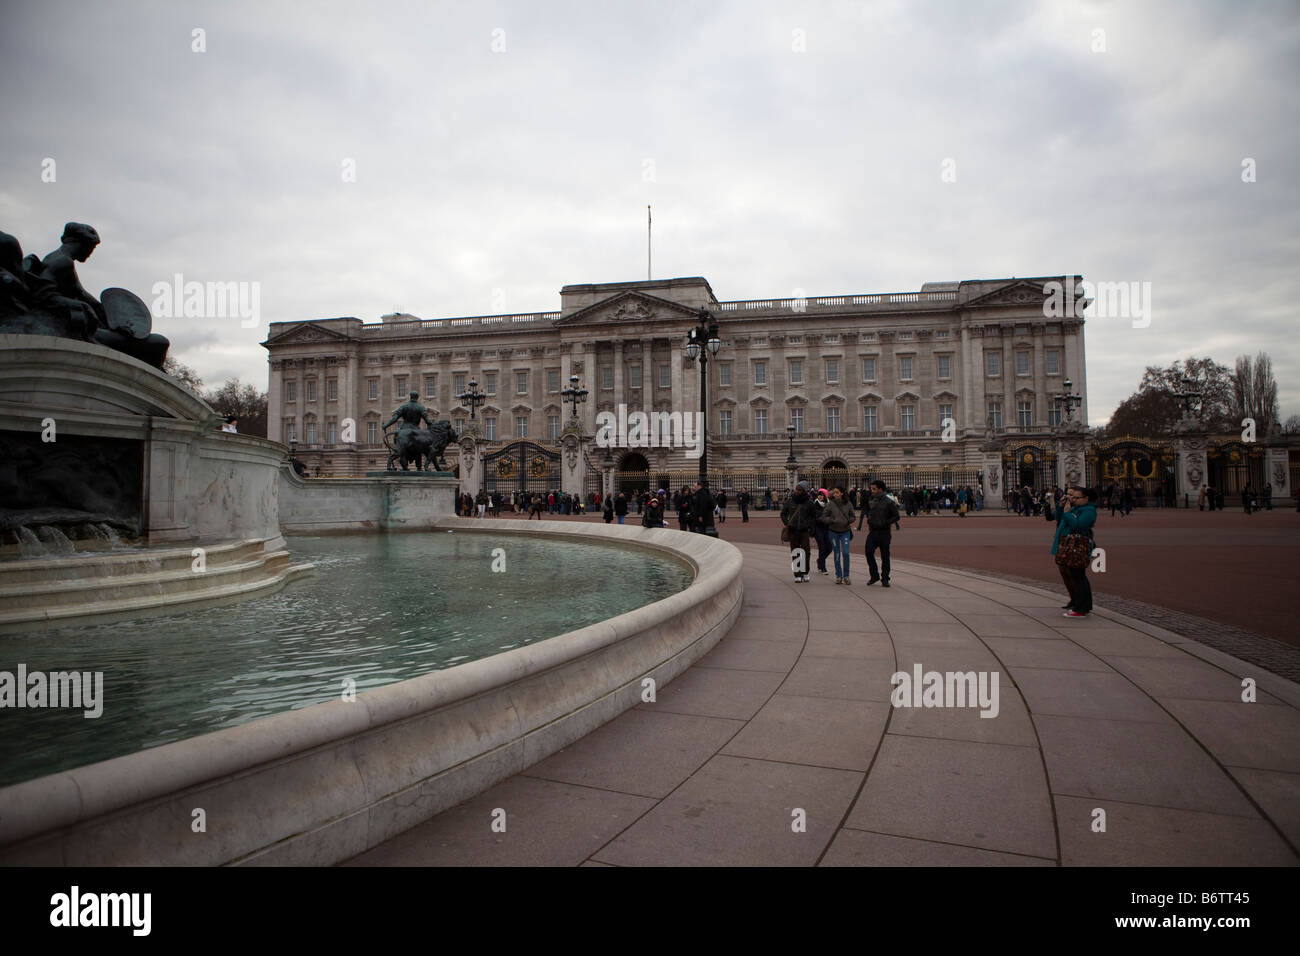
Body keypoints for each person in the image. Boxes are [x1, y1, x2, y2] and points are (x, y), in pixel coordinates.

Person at [1053, 485, 1098, 617]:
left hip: (1077, 546)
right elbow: (1059, 518)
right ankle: (1079, 603)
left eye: (1076, 497)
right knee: (1073, 575)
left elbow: (1078, 525)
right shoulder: (1076, 508)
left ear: (1086, 498)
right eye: (1071, 496)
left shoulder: (1089, 511)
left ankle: (1081, 607)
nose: (1072, 499)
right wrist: (1061, 507)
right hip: (1069, 545)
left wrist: (1068, 514)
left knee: (1078, 577)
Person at [863, 479, 900, 587]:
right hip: (873, 532)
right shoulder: (872, 500)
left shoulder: (889, 502)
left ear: (880, 489)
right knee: (869, 553)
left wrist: (885, 522)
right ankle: (874, 575)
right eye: (871, 488)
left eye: (874, 489)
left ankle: (885, 578)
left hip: (884, 532)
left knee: (885, 556)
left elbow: (896, 516)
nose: (872, 491)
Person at [781, 480, 818, 583]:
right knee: (795, 552)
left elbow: (813, 516)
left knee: (806, 552)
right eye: (796, 489)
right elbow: (783, 513)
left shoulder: (809, 502)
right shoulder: (790, 501)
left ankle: (805, 572)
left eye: (800, 490)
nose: (797, 491)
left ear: (804, 491)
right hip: (793, 530)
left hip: (804, 530)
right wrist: (787, 523)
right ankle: (797, 574)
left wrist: (809, 525)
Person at [819, 486, 855, 584]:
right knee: (837, 554)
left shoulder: (848, 503)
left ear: (842, 493)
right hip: (833, 531)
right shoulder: (831, 504)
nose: (835, 494)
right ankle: (839, 575)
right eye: (834, 493)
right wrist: (831, 520)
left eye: (837, 492)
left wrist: (848, 521)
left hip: (845, 531)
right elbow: (824, 516)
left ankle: (846, 575)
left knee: (846, 553)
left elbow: (853, 516)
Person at [811, 489, 832, 574]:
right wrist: (823, 519)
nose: (820, 496)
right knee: (822, 547)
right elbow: (814, 517)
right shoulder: (814, 505)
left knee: (829, 548)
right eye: (819, 495)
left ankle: (820, 560)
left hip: (827, 529)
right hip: (818, 528)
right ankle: (823, 567)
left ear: (825, 496)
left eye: (822, 495)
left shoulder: (828, 505)